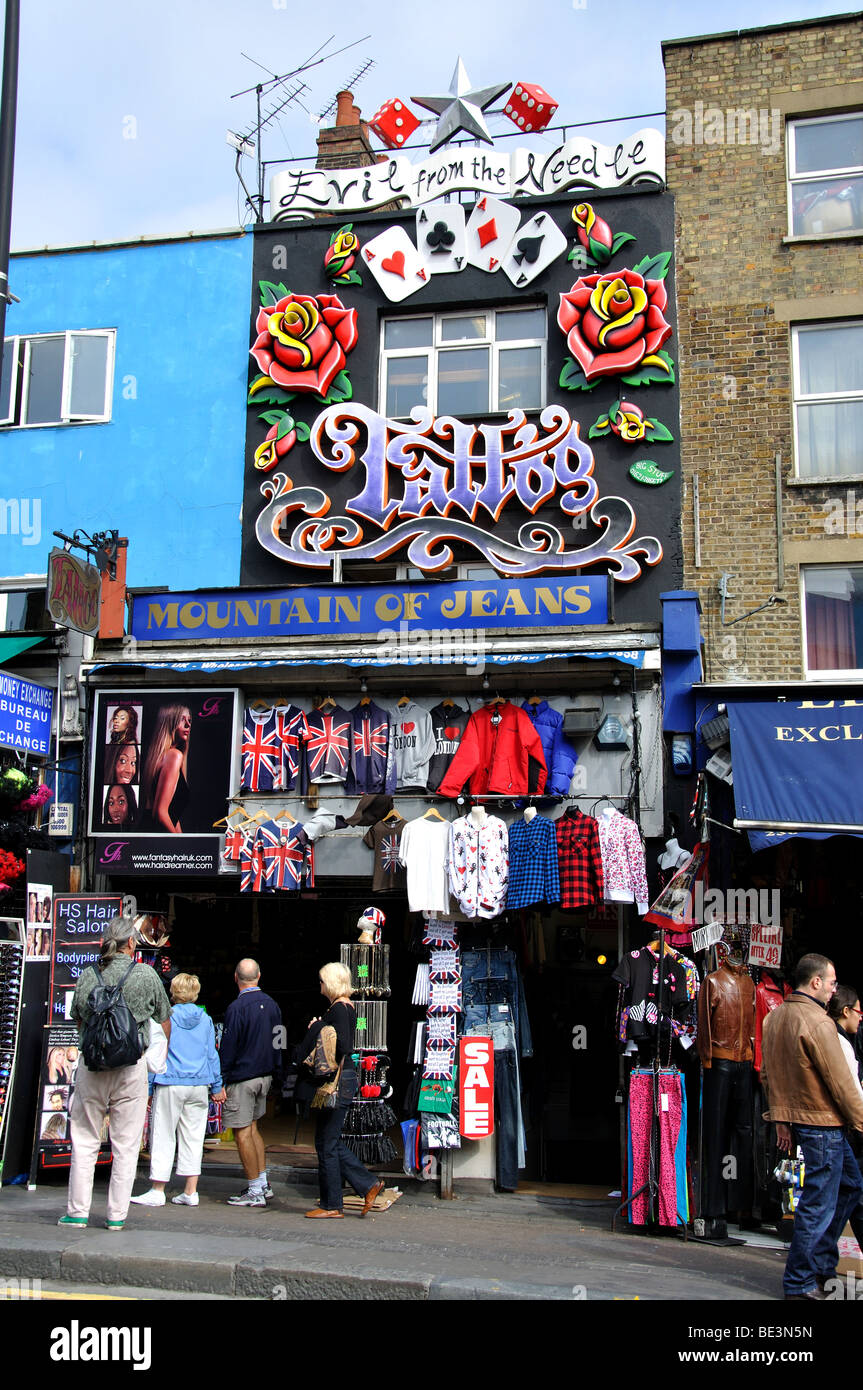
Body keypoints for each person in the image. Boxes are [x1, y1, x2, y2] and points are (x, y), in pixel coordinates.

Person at [59, 915, 171, 1232]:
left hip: (92, 1066)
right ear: (132, 944)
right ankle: (116, 1215)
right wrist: (155, 1054)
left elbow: (78, 1017)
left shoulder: (88, 975)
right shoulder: (146, 975)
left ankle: (78, 1212)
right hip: (131, 1066)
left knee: (84, 1140)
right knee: (126, 1143)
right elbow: (164, 1017)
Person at [761, 953, 863, 1300]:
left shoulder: (775, 1019)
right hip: (823, 1122)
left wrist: (781, 1120)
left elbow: (769, 1075)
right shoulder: (817, 1022)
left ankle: (819, 1265)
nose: (835, 991)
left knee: (850, 1186)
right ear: (815, 982)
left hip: (807, 1121)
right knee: (818, 1204)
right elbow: (841, 1082)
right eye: (832, 983)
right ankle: (799, 1281)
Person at [296, 962, 384, 1221]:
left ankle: (335, 1202)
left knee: (327, 1143)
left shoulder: (340, 1009)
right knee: (326, 1141)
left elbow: (342, 1045)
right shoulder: (342, 1008)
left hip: (337, 1081)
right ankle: (361, 1186)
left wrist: (317, 1027)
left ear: (331, 983)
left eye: (322, 981)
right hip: (343, 1080)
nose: (320, 986)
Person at [131, 973, 225, 1209]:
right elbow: (211, 1054)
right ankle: (190, 1191)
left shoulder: (165, 1018)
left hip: (171, 1082)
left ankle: (158, 1189)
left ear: (173, 992)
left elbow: (157, 1053)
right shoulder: (205, 1020)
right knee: (194, 1138)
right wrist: (216, 1085)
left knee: (163, 1135)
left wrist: (149, 1086)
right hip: (198, 1085)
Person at [218, 958, 283, 1208]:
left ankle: (255, 1188)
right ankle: (262, 1183)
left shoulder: (237, 1008)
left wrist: (220, 1079)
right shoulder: (273, 1005)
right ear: (259, 976)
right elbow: (280, 1037)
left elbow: (229, 1046)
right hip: (264, 1076)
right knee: (253, 1128)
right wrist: (278, 1068)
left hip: (242, 1078)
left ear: (236, 978)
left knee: (242, 1131)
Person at [140, 705, 191, 833]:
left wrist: (183, 842)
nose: (187, 725)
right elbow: (160, 813)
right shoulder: (173, 755)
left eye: (189, 720)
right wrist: (180, 845)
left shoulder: (159, 757)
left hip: (150, 833)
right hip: (156, 835)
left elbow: (172, 815)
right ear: (169, 723)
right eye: (181, 719)